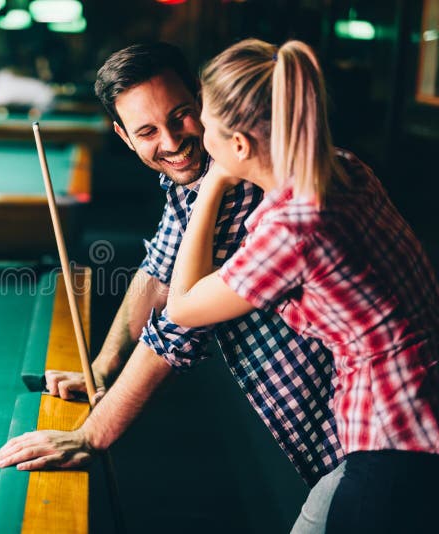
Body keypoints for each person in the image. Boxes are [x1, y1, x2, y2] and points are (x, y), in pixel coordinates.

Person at [0, 42, 344, 532]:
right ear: (124, 137)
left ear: (204, 101)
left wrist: (91, 435)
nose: (172, 141)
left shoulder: (238, 181)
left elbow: (177, 332)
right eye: (147, 131)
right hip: (348, 430)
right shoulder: (190, 181)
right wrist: (101, 366)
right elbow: (159, 269)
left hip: (361, 429)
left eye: (180, 116)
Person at [167, 38, 439, 532]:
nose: (197, 131)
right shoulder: (344, 167)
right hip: (423, 407)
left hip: (393, 437)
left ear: (240, 146)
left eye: (204, 122)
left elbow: (181, 308)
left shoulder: (292, 228)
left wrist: (211, 186)